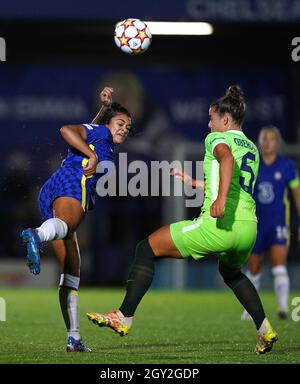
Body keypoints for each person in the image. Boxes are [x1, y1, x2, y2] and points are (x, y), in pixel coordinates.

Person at [87, 85, 278, 355]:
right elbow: (235, 182)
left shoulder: (216, 139)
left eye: (211, 118)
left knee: (146, 248)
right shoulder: (252, 148)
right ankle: (264, 328)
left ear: (225, 120)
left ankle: (124, 315)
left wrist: (219, 200)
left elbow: (226, 163)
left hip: (219, 225)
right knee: (231, 273)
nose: (208, 124)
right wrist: (196, 182)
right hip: (248, 229)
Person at [21, 86, 132, 352]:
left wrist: (104, 110)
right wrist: (93, 156)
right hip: (73, 182)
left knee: (71, 272)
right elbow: (66, 130)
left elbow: (86, 132)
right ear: (109, 124)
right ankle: (37, 235)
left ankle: (74, 338)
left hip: (54, 187)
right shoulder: (102, 135)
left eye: (128, 127)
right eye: (120, 123)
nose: (124, 129)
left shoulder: (100, 135)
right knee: (68, 227)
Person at [241, 126, 300, 321]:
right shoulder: (252, 166)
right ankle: (250, 310)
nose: (267, 142)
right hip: (256, 224)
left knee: (278, 263)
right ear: (259, 142)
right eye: (264, 139)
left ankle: (283, 306)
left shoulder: (287, 166)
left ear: (278, 143)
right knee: (254, 268)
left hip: (278, 223)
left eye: (271, 139)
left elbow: (297, 196)